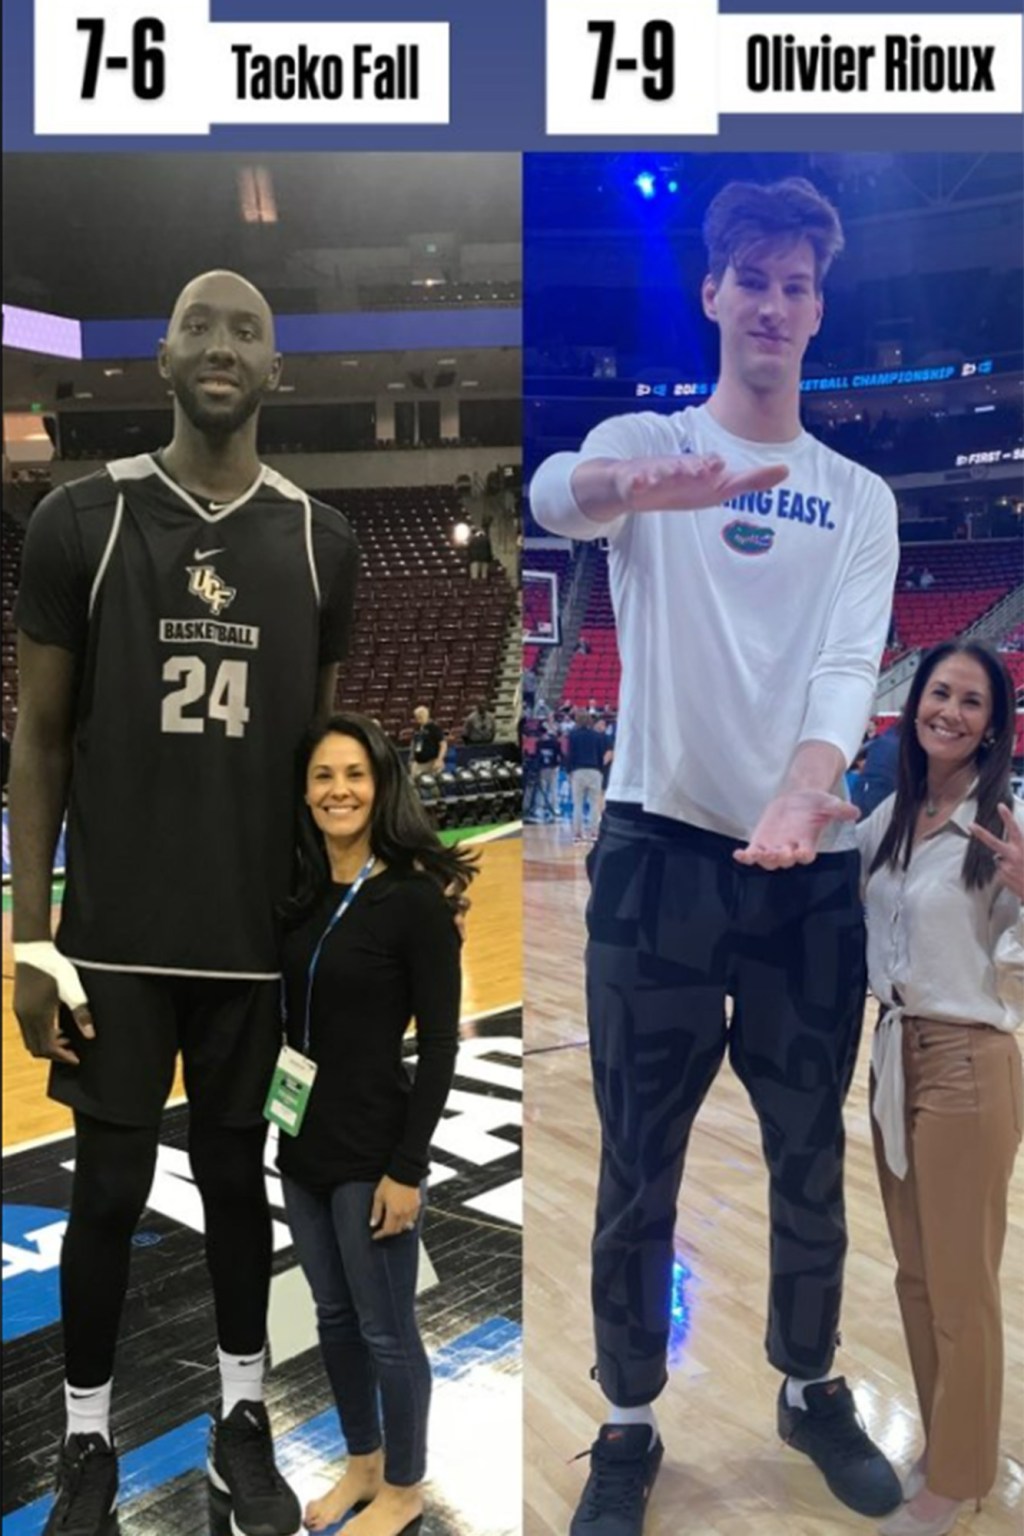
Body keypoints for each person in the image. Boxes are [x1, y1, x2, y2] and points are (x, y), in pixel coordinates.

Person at [530, 176, 903, 1532]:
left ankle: (807, 1387)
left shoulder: (858, 498)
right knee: (639, 1165)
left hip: (804, 880)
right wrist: (642, 486)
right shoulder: (650, 443)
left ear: (818, 308)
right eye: (754, 277)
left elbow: (849, 665)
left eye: (800, 283)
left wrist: (809, 794)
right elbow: (556, 495)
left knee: (810, 1155)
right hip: (654, 862)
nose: (777, 302)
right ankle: (626, 1422)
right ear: (713, 293)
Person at [9, 269, 360, 1536]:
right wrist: (32, 940)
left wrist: (340, 933)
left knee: (235, 1186)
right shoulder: (78, 522)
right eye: (200, 326)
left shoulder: (325, 541)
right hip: (110, 944)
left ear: (278, 371)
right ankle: (87, 1440)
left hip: (255, 950)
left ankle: (241, 1420)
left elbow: (326, 757)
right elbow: (39, 742)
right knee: (103, 1195)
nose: (222, 346)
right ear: (160, 358)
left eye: (248, 330)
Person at [275, 713, 476, 1536]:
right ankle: (361, 1460)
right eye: (323, 776)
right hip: (301, 1146)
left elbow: (435, 1049)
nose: (339, 791)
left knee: (388, 1331)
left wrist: (409, 1167)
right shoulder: (298, 891)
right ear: (306, 792)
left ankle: (404, 1483)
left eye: (354, 774)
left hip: (373, 1149)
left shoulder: (413, 901)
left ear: (381, 783)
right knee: (330, 1317)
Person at [855, 641, 1022, 1536]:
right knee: (916, 1276)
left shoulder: (1005, 822)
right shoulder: (889, 814)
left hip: (968, 1061)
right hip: (894, 1055)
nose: (949, 711)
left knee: (962, 1285)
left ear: (994, 723)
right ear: (913, 703)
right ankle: (950, 1441)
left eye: (971, 701)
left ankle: (960, 1476)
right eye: (937, 693)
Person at [567, 710, 605, 844]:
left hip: (578, 771)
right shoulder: (597, 736)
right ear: (590, 721)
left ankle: (577, 834)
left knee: (577, 804)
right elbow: (601, 755)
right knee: (594, 804)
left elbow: (570, 755)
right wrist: (600, 770)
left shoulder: (573, 735)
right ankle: (594, 833)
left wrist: (569, 771)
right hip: (594, 770)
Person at [409, 705, 446, 780]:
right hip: (418, 762)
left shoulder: (434, 728)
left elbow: (443, 744)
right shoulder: (418, 728)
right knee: (414, 783)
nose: (417, 719)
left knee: (432, 785)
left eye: (419, 716)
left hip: (431, 761)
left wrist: (439, 759)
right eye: (416, 717)